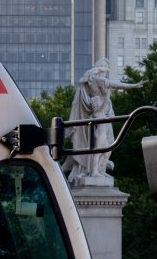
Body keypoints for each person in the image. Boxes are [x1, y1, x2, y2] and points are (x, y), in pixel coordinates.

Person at [62, 58, 144, 186]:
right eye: (106, 68)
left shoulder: (93, 85)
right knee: (99, 149)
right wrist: (133, 85)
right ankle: (94, 171)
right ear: (101, 69)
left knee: (107, 148)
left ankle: (99, 169)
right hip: (100, 124)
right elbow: (117, 85)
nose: (107, 72)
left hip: (103, 122)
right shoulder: (100, 81)